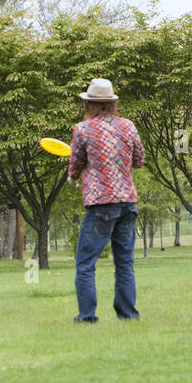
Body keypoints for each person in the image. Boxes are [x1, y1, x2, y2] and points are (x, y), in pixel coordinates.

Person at [68, 78, 145, 323]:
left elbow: (76, 163)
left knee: (85, 264)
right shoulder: (128, 126)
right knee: (125, 263)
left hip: (101, 204)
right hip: (127, 202)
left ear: (89, 103)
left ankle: (87, 316)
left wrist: (73, 176)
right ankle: (128, 314)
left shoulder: (83, 129)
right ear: (112, 103)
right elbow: (139, 160)